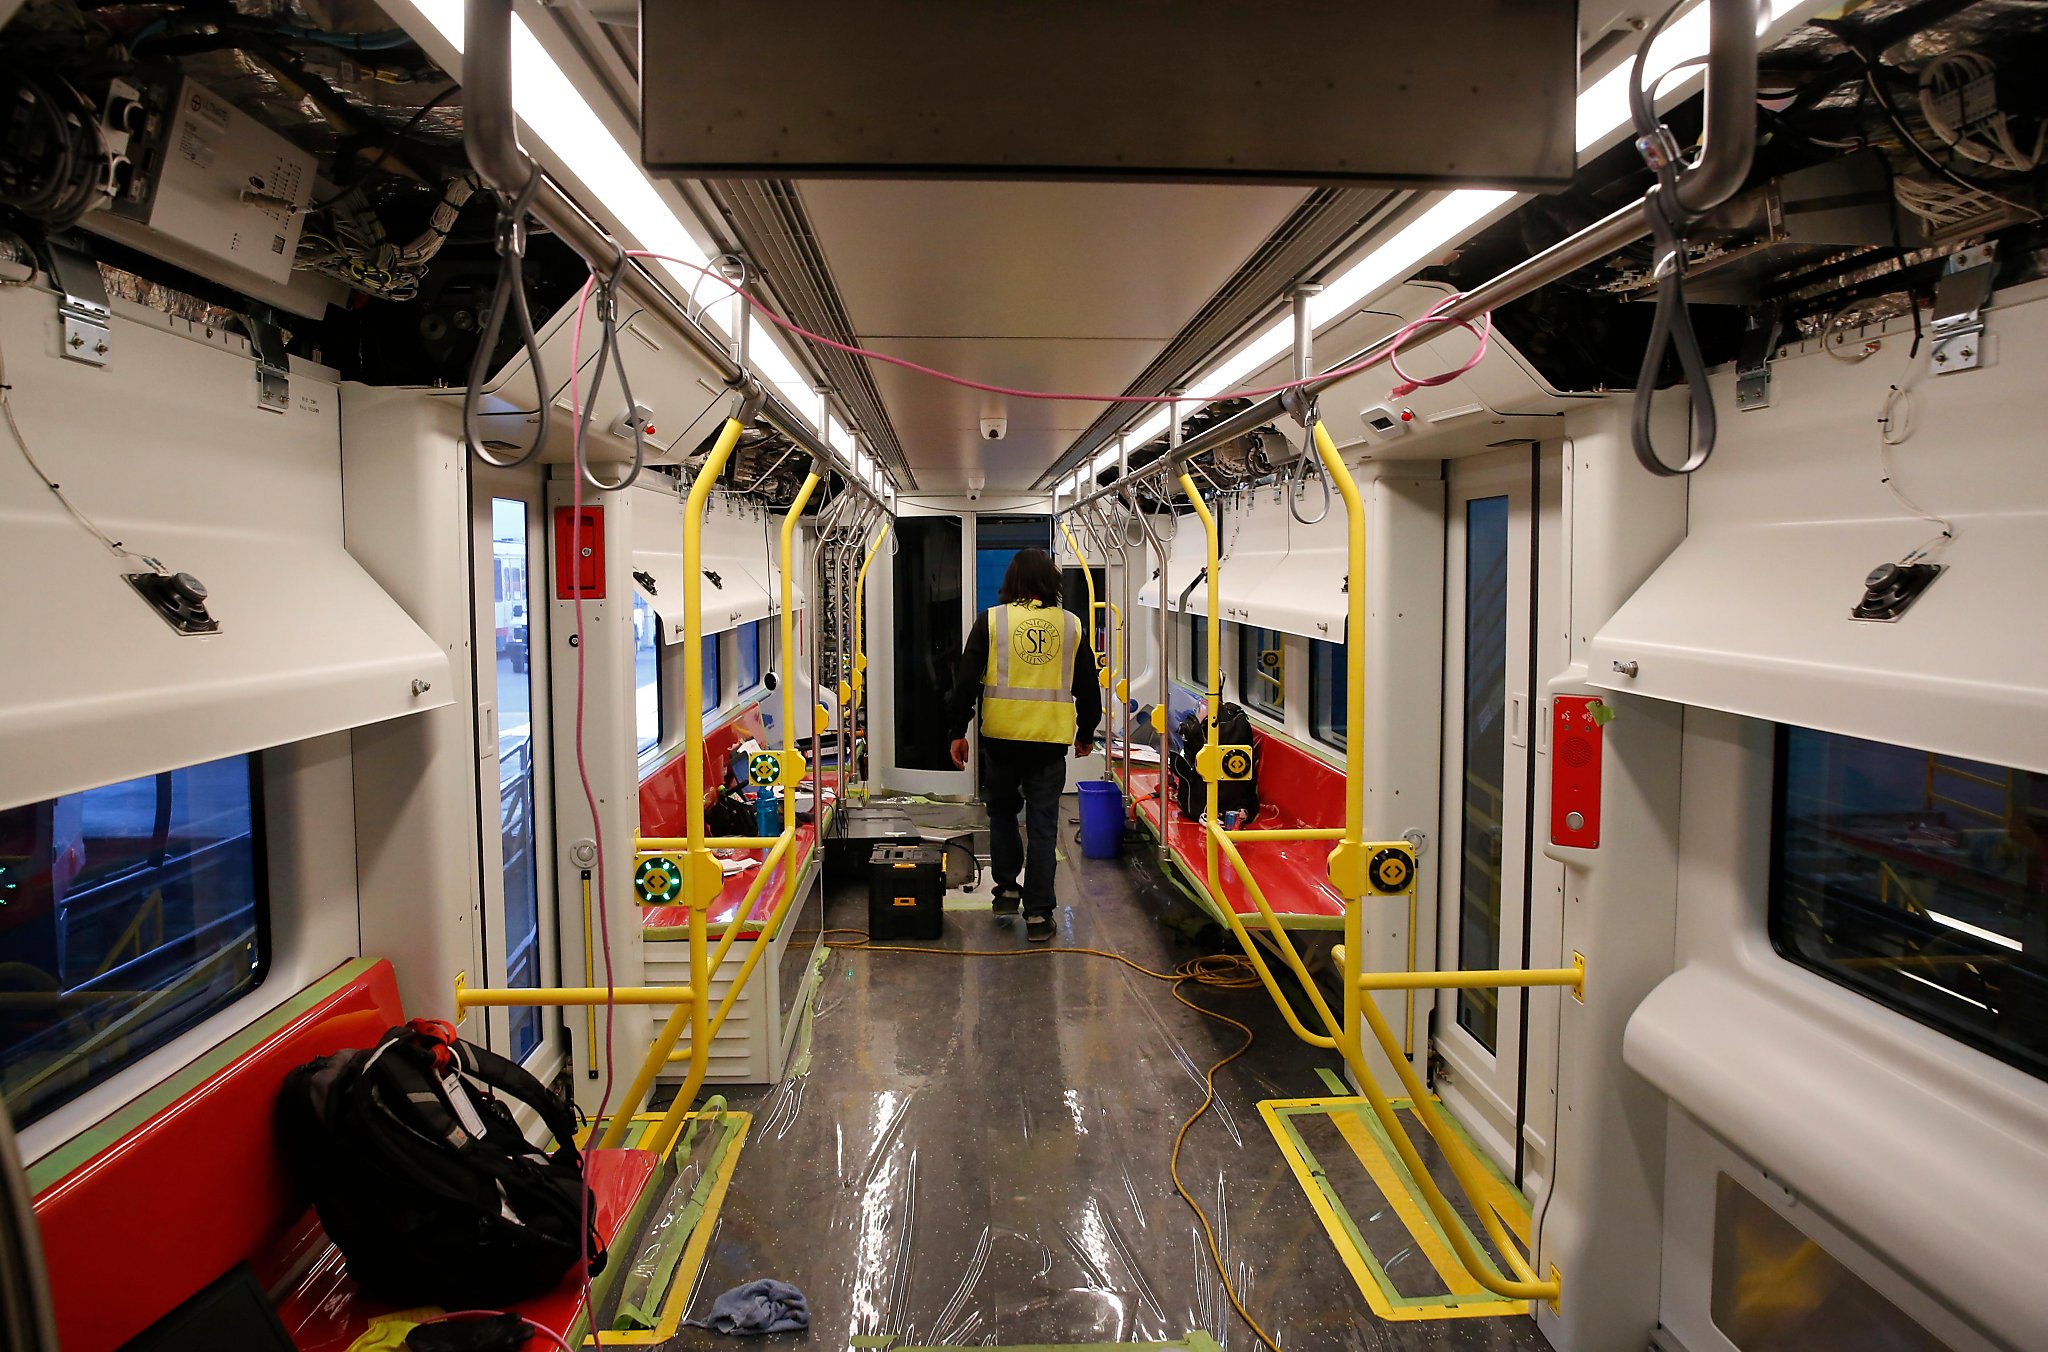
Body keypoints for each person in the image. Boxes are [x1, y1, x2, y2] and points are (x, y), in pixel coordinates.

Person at [947, 549, 1102, 942]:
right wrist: (1086, 732)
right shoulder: (1071, 625)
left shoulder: (992, 621)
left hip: (1001, 739)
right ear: (1052, 582)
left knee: (1002, 815)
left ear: (1011, 581)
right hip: (1048, 742)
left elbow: (965, 681)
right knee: (1043, 826)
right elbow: (1088, 684)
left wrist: (957, 731)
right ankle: (1038, 914)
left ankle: (1006, 890)